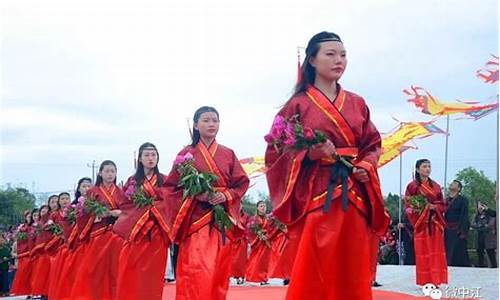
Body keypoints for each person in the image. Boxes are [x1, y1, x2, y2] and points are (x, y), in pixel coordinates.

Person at [265, 31, 390, 299]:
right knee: (314, 261)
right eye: (330, 54)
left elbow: (373, 144)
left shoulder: (357, 103)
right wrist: (310, 154)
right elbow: (276, 153)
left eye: (343, 55)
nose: (339, 61)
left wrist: (366, 167)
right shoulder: (297, 104)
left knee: (353, 262)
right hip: (316, 193)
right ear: (312, 60)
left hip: (354, 192)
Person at [164, 106, 250, 300]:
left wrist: (226, 196)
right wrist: (195, 195)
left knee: (219, 272)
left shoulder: (228, 153)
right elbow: (170, 189)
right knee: (197, 270)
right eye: (206, 120)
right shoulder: (186, 155)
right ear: (195, 125)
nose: (211, 124)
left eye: (215, 120)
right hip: (195, 222)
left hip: (222, 223)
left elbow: (241, 183)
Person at [114, 142, 172, 300]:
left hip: (157, 232)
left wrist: (153, 208)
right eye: (146, 155)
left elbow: (171, 203)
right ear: (139, 159)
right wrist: (144, 210)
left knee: (153, 274)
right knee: (132, 270)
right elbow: (125, 204)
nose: (150, 158)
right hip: (137, 232)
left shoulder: (165, 180)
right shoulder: (132, 181)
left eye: (153, 155)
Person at [71, 160, 124, 299]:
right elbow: (82, 215)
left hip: (117, 236)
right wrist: (98, 214)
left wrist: (119, 213)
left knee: (116, 270)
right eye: (107, 171)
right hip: (98, 236)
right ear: (100, 173)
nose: (110, 174)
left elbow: (128, 211)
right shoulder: (92, 192)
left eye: (113, 171)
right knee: (96, 271)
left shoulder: (120, 192)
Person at [405, 159, 448, 286]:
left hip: (435, 223)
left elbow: (443, 204)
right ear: (418, 169)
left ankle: (436, 280)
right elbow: (408, 205)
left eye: (429, 166)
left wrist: (435, 208)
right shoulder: (412, 186)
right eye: (424, 166)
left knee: (436, 253)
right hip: (421, 224)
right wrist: (422, 208)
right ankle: (425, 281)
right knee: (423, 253)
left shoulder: (436, 186)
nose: (428, 169)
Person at [245, 201, 275, 285]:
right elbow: (250, 229)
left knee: (264, 261)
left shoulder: (268, 218)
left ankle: (263, 278)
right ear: (257, 208)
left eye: (264, 206)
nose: (263, 208)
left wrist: (268, 235)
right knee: (256, 259)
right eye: (261, 206)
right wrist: (259, 234)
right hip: (258, 242)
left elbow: (271, 228)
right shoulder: (254, 218)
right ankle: (253, 278)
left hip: (266, 242)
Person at [445, 180, 470, 267]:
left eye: (454, 183)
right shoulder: (446, 200)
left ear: (459, 188)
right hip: (447, 230)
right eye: (451, 182)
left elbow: (464, 216)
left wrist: (463, 231)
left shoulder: (463, 200)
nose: (451, 184)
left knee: (458, 251)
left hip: (457, 229)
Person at [10, 210, 33, 297]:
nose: (30, 218)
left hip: (31, 253)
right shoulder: (22, 228)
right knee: (24, 275)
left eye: (31, 216)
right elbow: (16, 239)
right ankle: (28, 292)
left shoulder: (35, 227)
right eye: (28, 217)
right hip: (23, 254)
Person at [471, 201, 497, 268]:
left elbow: (491, 224)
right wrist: (479, 225)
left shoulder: (490, 215)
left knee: (491, 254)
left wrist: (484, 226)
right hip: (479, 237)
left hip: (488, 238)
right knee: (480, 254)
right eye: (479, 207)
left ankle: (494, 268)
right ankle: (481, 267)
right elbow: (473, 224)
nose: (480, 208)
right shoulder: (476, 216)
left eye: (481, 207)